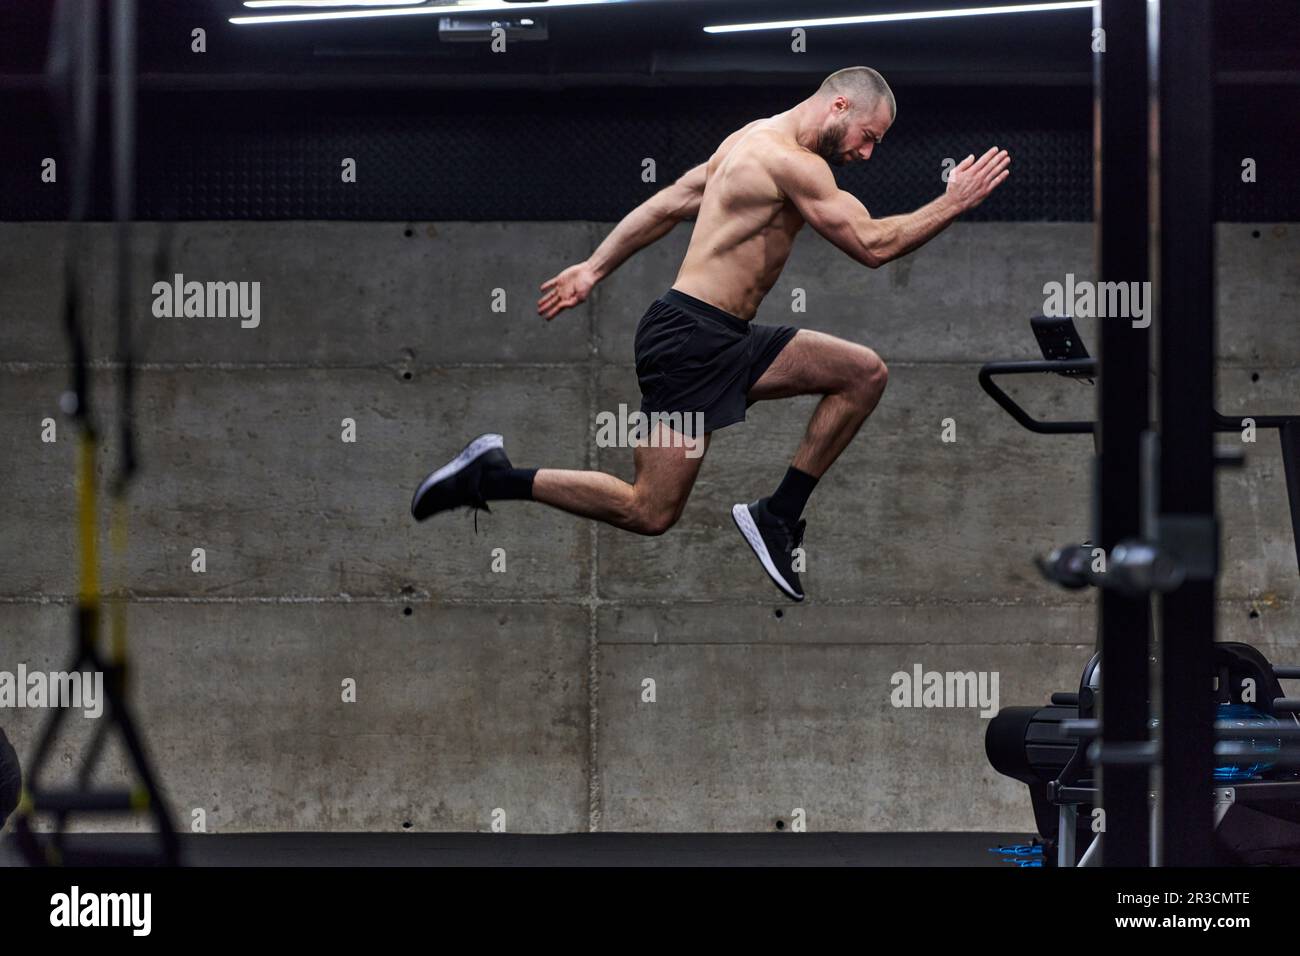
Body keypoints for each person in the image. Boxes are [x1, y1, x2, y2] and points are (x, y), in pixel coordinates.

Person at [412, 66, 1010, 601]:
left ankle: (777, 515)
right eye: (868, 136)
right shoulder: (791, 162)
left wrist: (594, 267)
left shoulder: (745, 140)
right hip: (691, 342)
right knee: (649, 510)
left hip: (724, 336)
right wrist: (951, 203)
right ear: (839, 107)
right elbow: (874, 246)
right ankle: (491, 476)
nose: (867, 152)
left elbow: (670, 202)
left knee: (862, 373)